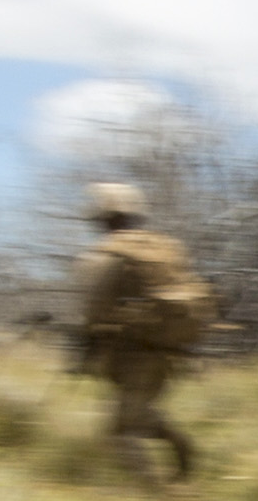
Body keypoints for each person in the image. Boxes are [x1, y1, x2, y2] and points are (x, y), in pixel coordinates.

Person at [70, 182, 210, 482]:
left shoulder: (105, 255)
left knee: (119, 433)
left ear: (102, 219)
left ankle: (155, 499)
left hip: (134, 355)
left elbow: (94, 312)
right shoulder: (167, 247)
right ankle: (182, 453)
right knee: (138, 414)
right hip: (171, 352)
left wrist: (86, 344)